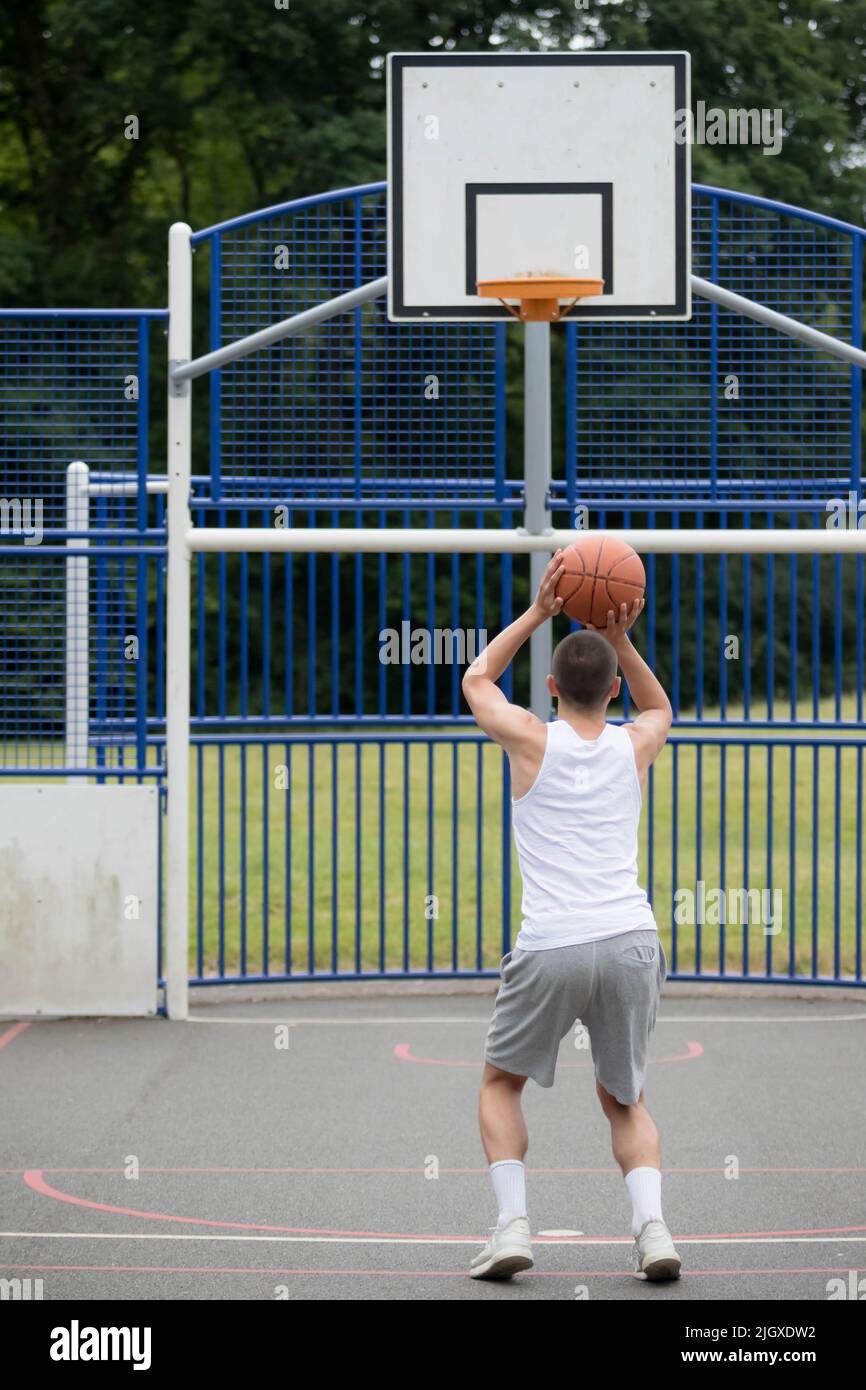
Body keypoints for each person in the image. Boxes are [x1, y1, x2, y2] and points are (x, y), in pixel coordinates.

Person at [461, 549, 680, 1282]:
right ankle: (653, 1232)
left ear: (552, 687)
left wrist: (538, 611)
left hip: (552, 942)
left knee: (499, 1083)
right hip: (627, 937)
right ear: (614, 689)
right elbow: (661, 708)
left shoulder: (529, 738)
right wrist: (622, 638)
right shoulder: (634, 742)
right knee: (625, 1100)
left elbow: (475, 679)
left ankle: (512, 1226)